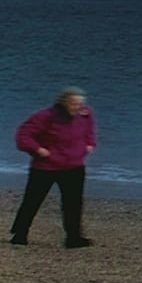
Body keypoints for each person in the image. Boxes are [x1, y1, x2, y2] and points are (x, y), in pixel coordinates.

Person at [12, 88, 94, 246]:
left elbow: (89, 130)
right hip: (45, 167)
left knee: (73, 203)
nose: (78, 107)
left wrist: (89, 144)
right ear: (64, 102)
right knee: (32, 201)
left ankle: (73, 237)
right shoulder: (46, 116)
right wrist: (38, 149)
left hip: (73, 166)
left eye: (80, 103)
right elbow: (24, 134)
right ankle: (20, 233)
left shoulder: (85, 114)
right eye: (74, 103)